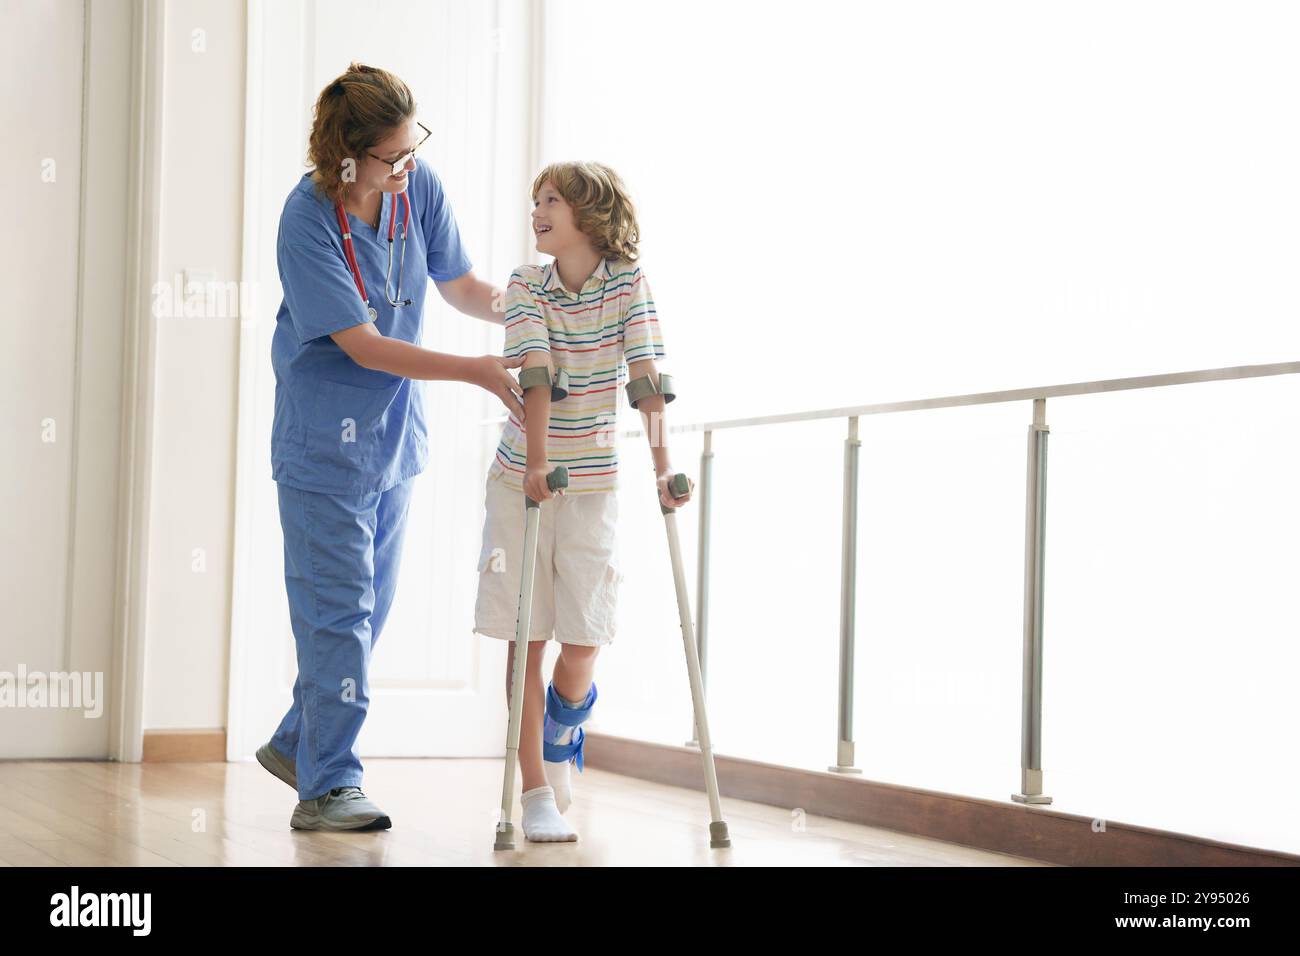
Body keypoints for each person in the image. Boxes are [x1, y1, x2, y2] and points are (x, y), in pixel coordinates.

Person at [256, 63, 526, 832]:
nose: (407, 168)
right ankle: (328, 786)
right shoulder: (306, 219)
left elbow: (462, 286)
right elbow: (365, 345)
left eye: (414, 150)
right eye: (392, 158)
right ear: (347, 156)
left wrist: (538, 307)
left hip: (392, 445)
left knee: (367, 617)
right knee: (338, 618)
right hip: (322, 449)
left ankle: (296, 743)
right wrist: (474, 372)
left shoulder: (421, 188)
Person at [472, 161, 692, 842]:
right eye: (534, 201)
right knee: (525, 637)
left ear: (590, 215)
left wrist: (665, 468)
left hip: (593, 486)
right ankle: (534, 789)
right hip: (522, 483)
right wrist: (538, 465)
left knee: (586, 635)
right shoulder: (524, 285)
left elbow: (648, 380)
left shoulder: (629, 286)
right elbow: (535, 373)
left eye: (551, 201)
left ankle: (568, 724)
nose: (536, 211)